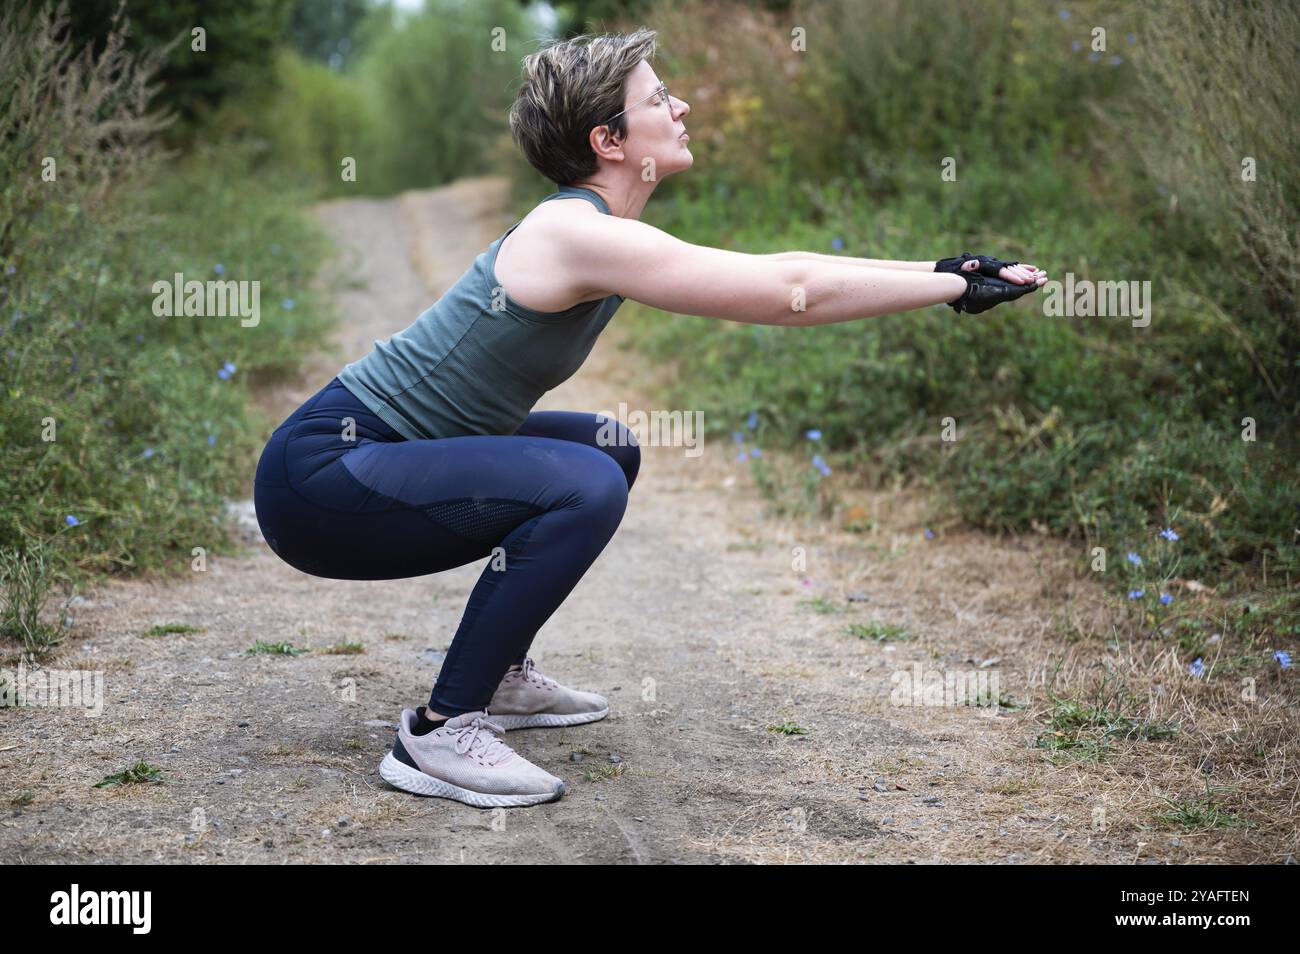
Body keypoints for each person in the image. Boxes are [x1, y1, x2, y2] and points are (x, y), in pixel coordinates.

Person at [253, 27, 1047, 810]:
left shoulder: (599, 229)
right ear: (609, 139)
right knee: (584, 485)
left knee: (608, 447)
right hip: (322, 479)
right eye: (659, 98)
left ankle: (498, 679)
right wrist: (950, 290)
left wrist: (944, 272)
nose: (683, 104)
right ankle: (437, 732)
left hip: (370, 461)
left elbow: (781, 269)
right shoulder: (573, 232)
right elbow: (785, 294)